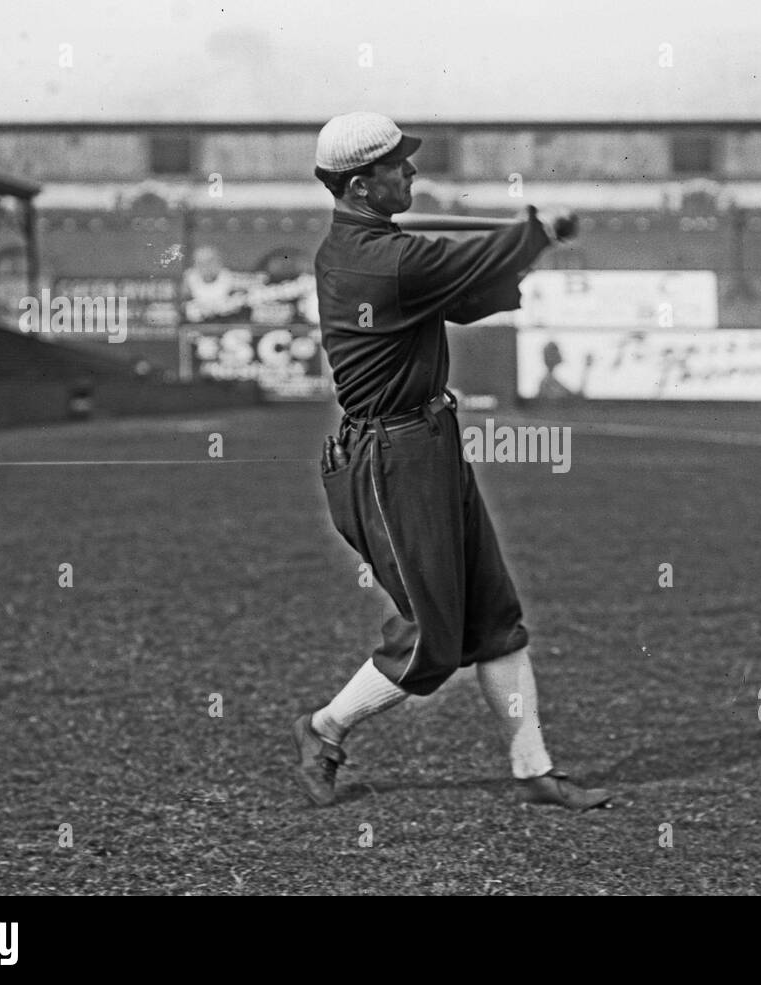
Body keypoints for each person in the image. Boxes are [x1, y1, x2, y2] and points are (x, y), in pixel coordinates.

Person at [296, 112, 612, 811]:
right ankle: (325, 727)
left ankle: (534, 769)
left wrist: (526, 244)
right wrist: (537, 231)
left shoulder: (380, 251)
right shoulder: (381, 260)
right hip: (390, 461)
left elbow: (466, 293)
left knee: (495, 618)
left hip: (429, 445)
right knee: (430, 644)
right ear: (359, 184)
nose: (411, 173)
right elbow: (468, 267)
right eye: (397, 167)